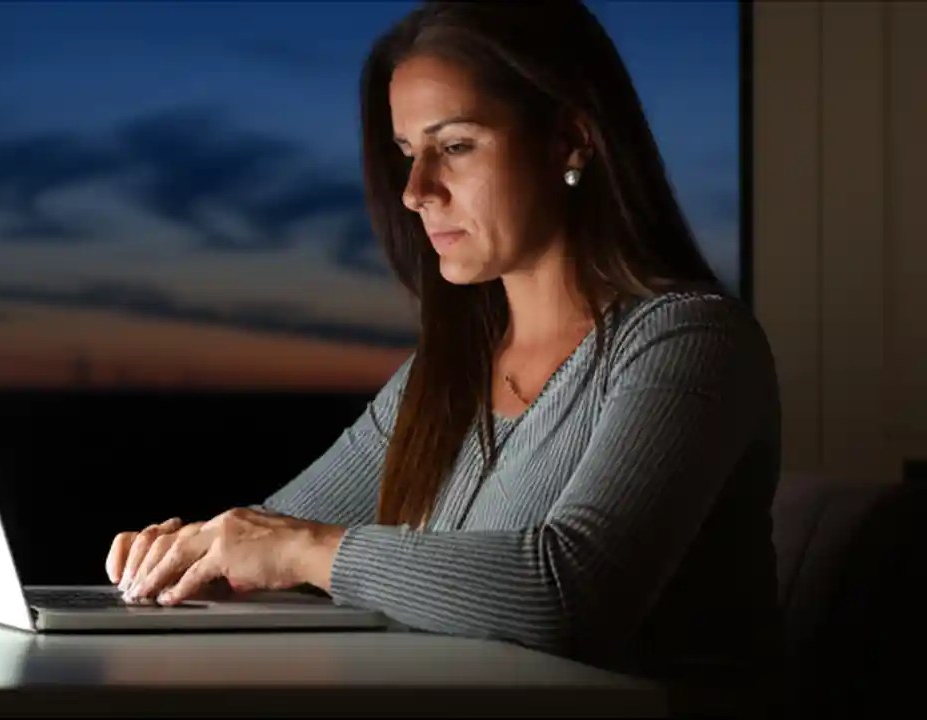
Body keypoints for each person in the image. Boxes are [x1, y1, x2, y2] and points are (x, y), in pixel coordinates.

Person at [104, 0, 782, 694]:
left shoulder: (692, 341)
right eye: (407, 154)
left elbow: (565, 594)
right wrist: (194, 554)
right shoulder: (445, 373)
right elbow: (271, 539)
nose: (415, 191)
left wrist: (297, 549)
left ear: (571, 140)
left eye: (455, 146)